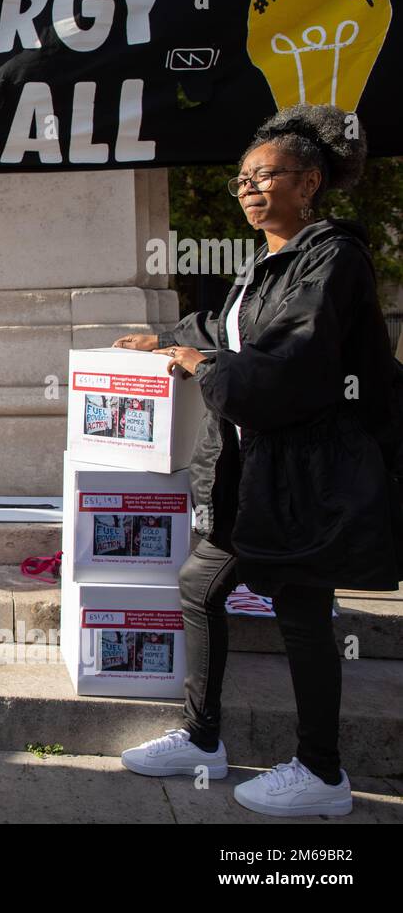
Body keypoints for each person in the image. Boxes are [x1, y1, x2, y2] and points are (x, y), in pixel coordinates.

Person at [116, 104, 403, 817]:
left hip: (307, 475)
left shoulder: (334, 257)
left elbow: (290, 361)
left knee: (301, 610)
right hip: (250, 475)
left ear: (308, 183)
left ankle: (322, 772)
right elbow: (222, 328)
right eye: (242, 178)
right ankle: (203, 736)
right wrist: (165, 342)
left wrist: (199, 360)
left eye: (263, 176)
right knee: (200, 586)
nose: (247, 188)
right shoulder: (262, 267)